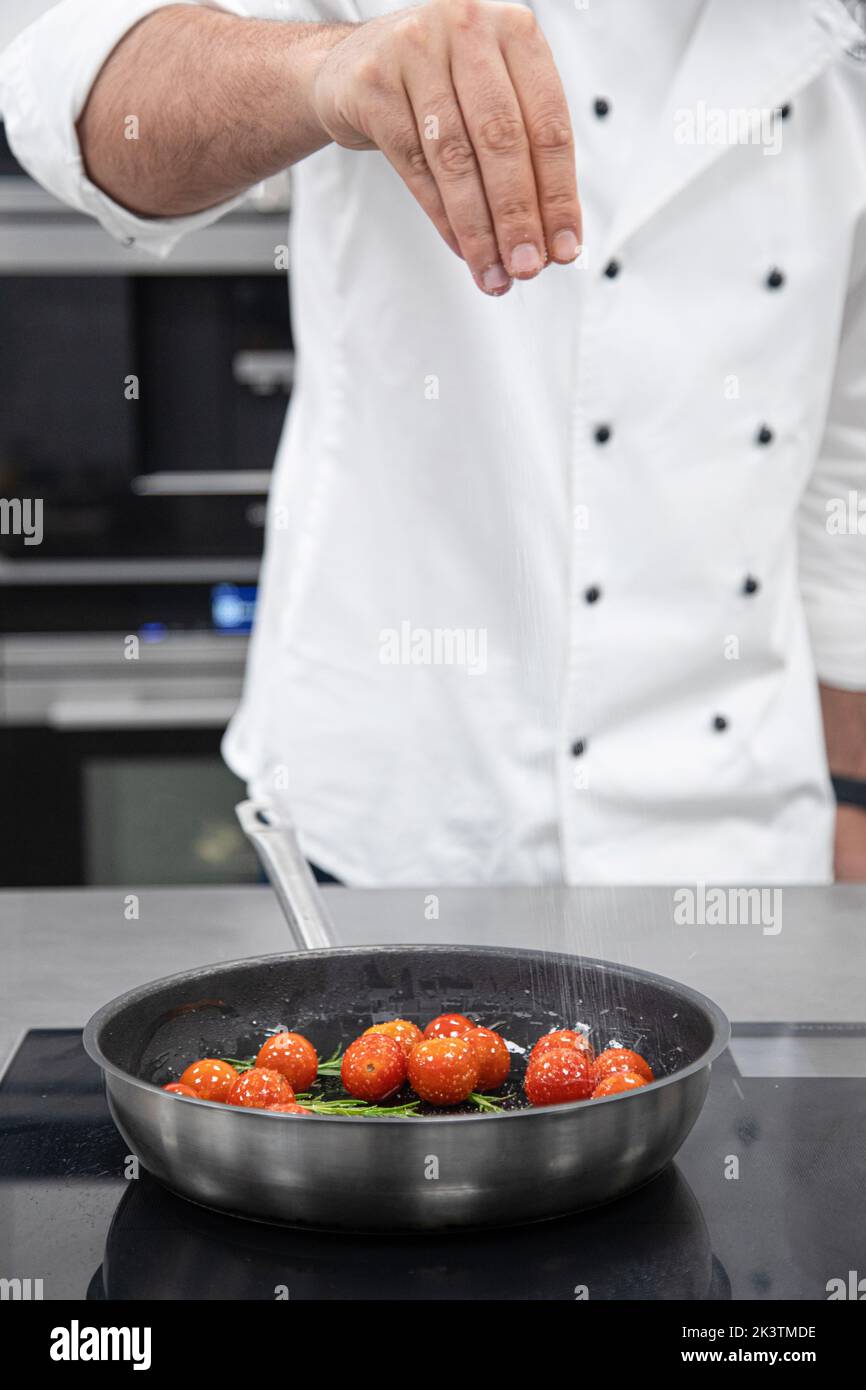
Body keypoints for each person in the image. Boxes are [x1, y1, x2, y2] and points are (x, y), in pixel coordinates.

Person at [3, 0, 866, 887]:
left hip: (739, 832)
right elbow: (73, 104)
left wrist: (853, 796)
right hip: (399, 817)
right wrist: (322, 73)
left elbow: (848, 484)